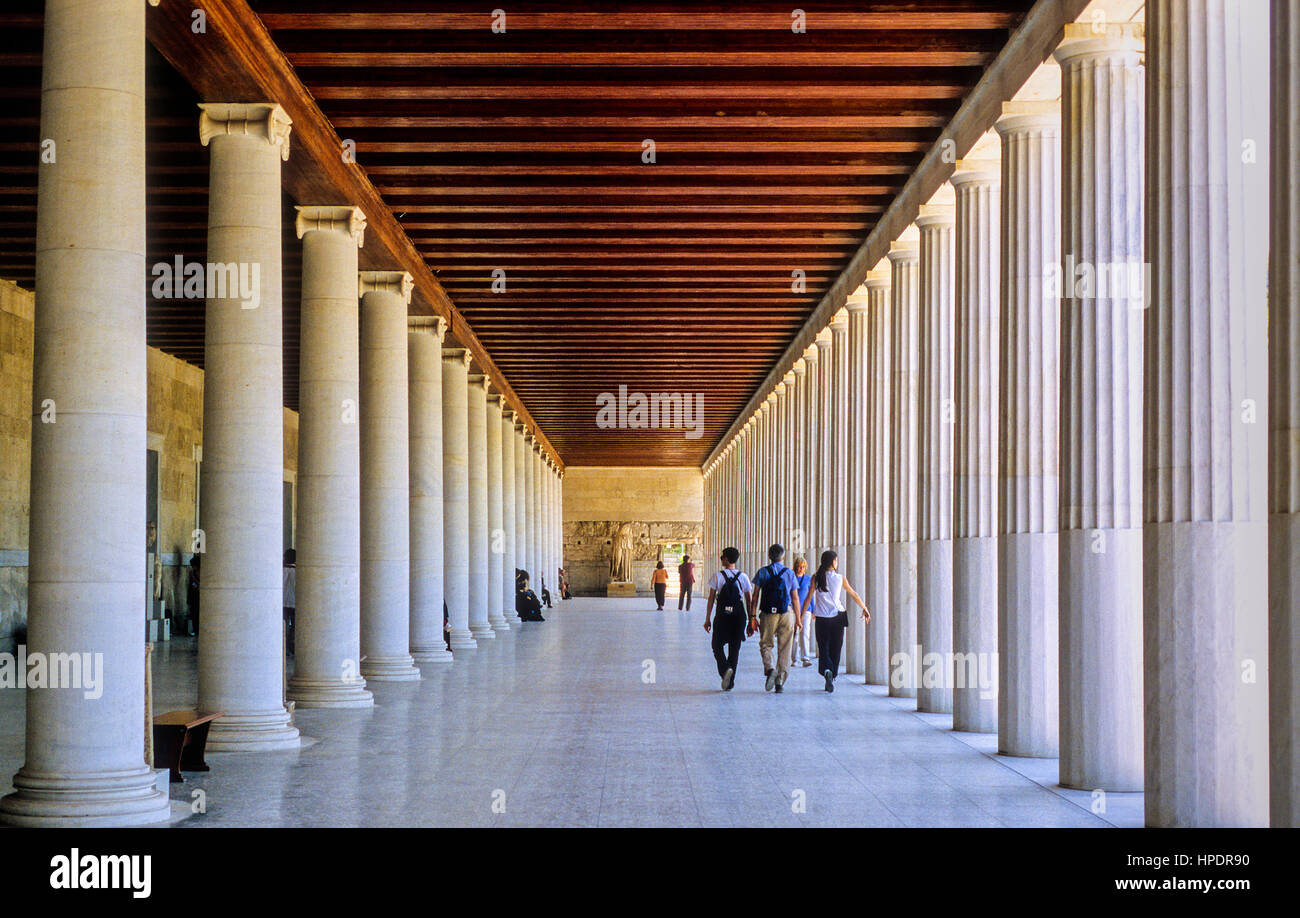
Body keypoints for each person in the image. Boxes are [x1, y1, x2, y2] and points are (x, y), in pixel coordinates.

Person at [801, 549, 869, 692]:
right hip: (838, 617)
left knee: (823, 647)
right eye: (836, 560)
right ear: (832, 562)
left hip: (821, 618)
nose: (837, 562)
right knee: (836, 648)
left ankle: (827, 670)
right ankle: (832, 674)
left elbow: (808, 598)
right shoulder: (840, 578)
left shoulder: (816, 577)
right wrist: (864, 607)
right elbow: (854, 594)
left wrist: (801, 617)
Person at [751, 543, 802, 693]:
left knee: (766, 644)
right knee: (785, 647)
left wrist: (752, 616)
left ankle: (770, 668)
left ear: (769, 556)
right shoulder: (789, 573)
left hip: (768, 613)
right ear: (783, 556)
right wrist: (798, 619)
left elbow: (755, 597)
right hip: (786, 613)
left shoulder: (762, 572)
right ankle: (780, 682)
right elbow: (795, 598)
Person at [703, 547, 753, 691]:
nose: (721, 559)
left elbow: (711, 599)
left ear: (726, 559)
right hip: (738, 617)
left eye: (722, 557)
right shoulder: (743, 576)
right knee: (734, 648)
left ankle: (725, 670)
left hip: (722, 616)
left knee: (716, 646)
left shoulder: (717, 576)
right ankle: (730, 682)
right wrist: (751, 619)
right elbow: (748, 600)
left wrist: (707, 619)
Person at [791, 556, 814, 667]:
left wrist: (813, 609)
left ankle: (805, 658)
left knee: (805, 633)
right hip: (793, 610)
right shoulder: (791, 578)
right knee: (794, 635)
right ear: (795, 567)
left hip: (806, 611)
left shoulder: (809, 579)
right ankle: (794, 659)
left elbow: (811, 596)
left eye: (803, 567)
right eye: (799, 566)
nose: (801, 568)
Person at [282, 548, 297, 656]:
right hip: (295, 603)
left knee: (284, 625)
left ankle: (285, 646)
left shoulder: (281, 570)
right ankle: (291, 645)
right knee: (294, 627)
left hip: (283, 603)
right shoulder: (298, 571)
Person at [186, 553, 201, 637]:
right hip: (194, 596)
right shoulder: (192, 573)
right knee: (194, 614)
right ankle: (195, 630)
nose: (192, 567)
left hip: (199, 595)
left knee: (198, 614)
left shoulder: (200, 573)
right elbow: (190, 585)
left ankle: (197, 630)